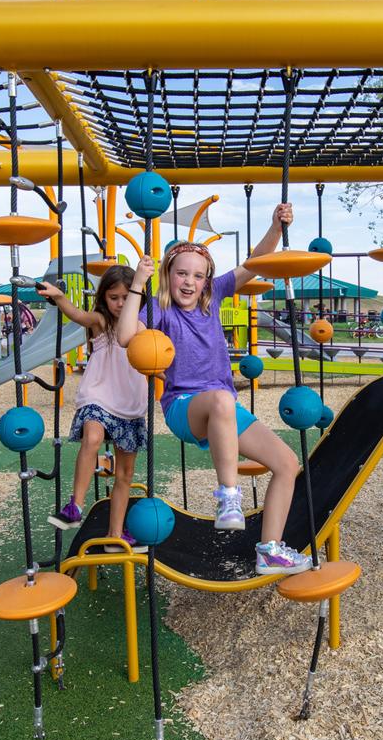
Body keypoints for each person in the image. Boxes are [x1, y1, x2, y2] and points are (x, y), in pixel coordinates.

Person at [117, 203, 311, 576]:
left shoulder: (216, 298)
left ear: (208, 281)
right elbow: (126, 336)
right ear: (167, 275)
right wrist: (138, 285)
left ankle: (270, 550)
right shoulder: (159, 312)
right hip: (184, 407)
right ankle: (228, 497)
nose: (189, 282)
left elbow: (255, 262)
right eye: (181, 274)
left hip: (222, 408)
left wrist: (274, 226)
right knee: (221, 400)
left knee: (287, 464)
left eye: (198, 275)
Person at [38, 266, 146, 550]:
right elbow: (79, 315)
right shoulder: (100, 321)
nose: (120, 303)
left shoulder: (142, 329)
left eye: (126, 297)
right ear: (104, 298)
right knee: (93, 438)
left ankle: (115, 535)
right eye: (114, 297)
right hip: (98, 396)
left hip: (130, 403)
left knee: (124, 474)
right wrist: (60, 298)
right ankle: (75, 505)